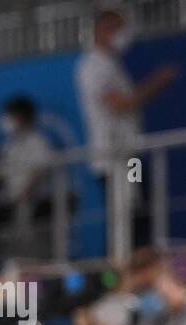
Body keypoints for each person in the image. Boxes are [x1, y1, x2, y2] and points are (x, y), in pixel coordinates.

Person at [75, 7, 178, 250]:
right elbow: (121, 104)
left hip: (129, 155)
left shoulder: (112, 65)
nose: (125, 34)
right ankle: (121, 276)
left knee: (138, 216)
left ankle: (139, 273)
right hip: (115, 160)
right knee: (124, 221)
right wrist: (159, 83)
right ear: (103, 30)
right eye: (119, 28)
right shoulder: (93, 66)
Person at [0, 96, 57, 260]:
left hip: (36, 205)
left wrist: (26, 192)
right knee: (17, 253)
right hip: (14, 207)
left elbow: (41, 169)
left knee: (38, 251)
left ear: (21, 117)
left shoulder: (38, 142)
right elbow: (3, 173)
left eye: (10, 117)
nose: (6, 121)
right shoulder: (10, 145)